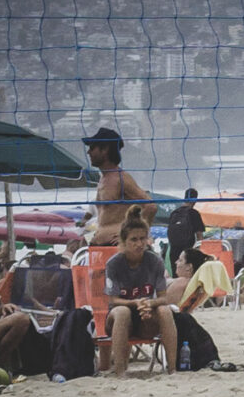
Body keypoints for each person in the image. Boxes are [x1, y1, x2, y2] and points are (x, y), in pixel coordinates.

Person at [101, 220, 178, 376]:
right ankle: (120, 371)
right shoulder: (114, 264)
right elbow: (113, 300)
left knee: (165, 310)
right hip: (118, 319)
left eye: (143, 239)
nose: (139, 243)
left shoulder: (155, 261)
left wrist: (149, 303)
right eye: (134, 240)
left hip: (145, 317)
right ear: (124, 241)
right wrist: (135, 303)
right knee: (123, 311)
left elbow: (163, 299)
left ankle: (172, 369)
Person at [83, 127, 153, 246]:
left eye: (92, 148)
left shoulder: (121, 179)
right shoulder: (104, 178)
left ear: (104, 149)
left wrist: (134, 236)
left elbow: (151, 206)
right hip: (102, 245)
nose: (88, 152)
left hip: (118, 247)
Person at [166, 187, 206, 263]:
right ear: (195, 200)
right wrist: (199, 253)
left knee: (176, 274)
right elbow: (199, 236)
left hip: (174, 252)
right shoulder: (194, 213)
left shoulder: (174, 213)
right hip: (188, 253)